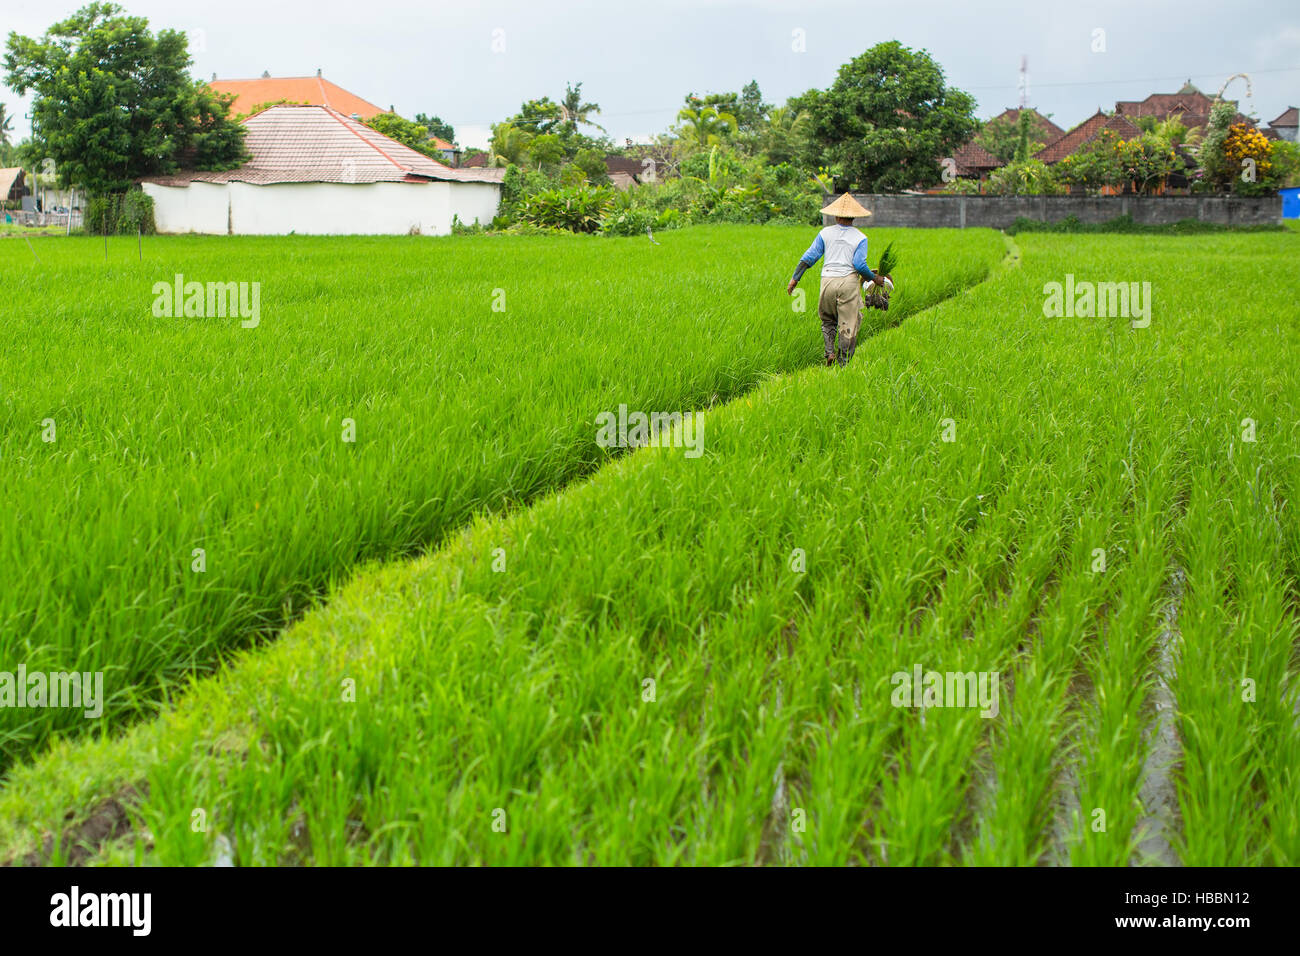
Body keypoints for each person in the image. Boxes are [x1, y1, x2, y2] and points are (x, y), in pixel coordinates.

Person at [786, 193, 885, 367]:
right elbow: (860, 265)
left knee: (828, 320)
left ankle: (829, 351)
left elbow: (809, 258)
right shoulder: (860, 237)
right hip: (847, 283)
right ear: (854, 217)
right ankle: (843, 365)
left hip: (827, 281)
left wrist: (795, 279)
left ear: (836, 215)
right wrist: (875, 278)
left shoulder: (825, 233)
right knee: (848, 324)